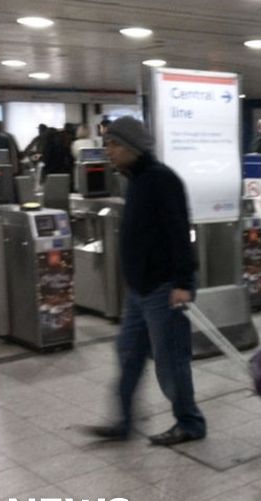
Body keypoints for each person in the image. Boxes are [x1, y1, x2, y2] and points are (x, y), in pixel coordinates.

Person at [85, 117, 206, 444]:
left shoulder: (161, 180)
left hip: (165, 287)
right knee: (128, 354)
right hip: (140, 290)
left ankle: (191, 423)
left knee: (170, 363)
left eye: (112, 144)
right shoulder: (136, 179)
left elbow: (180, 232)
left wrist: (182, 282)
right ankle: (123, 422)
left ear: (131, 146)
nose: (107, 151)